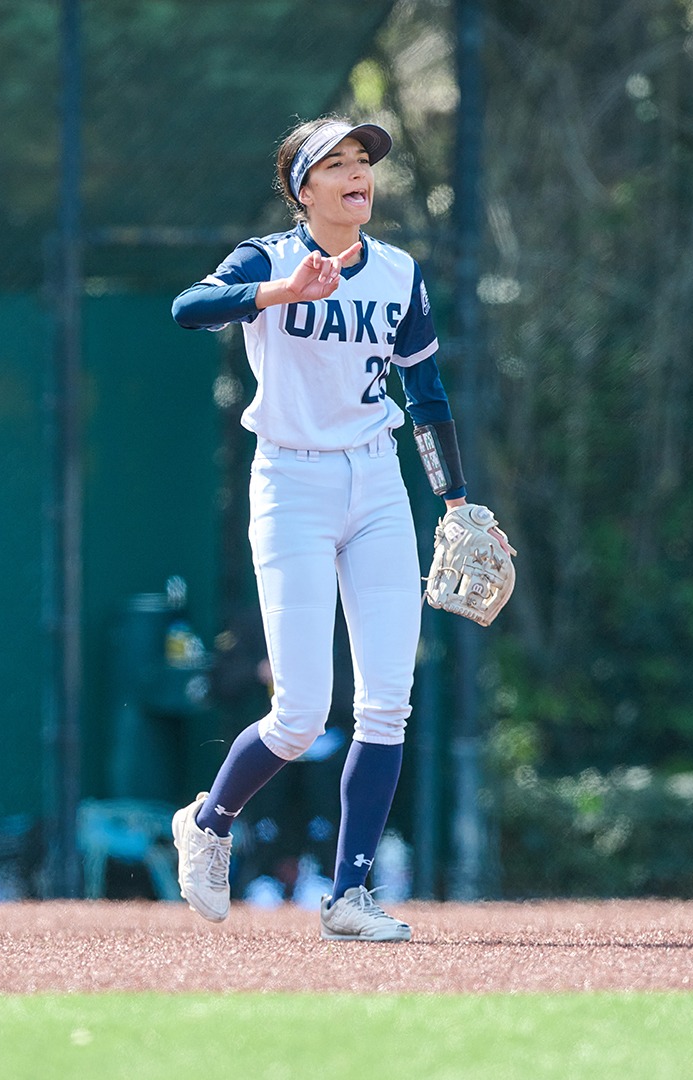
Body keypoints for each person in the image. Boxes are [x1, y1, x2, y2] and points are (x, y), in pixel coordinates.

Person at [167, 116, 507, 941]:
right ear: (302, 188)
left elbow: (425, 395)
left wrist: (455, 498)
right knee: (301, 712)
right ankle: (209, 822)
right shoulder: (268, 259)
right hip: (290, 481)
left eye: (365, 162)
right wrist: (278, 295)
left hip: (377, 482)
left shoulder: (399, 273)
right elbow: (189, 307)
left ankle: (348, 897)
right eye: (338, 164)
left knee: (388, 702)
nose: (359, 174)